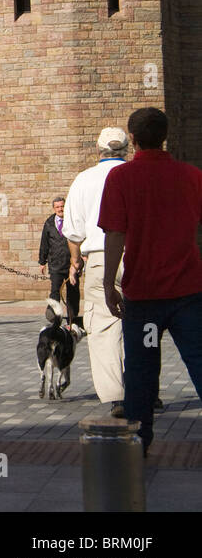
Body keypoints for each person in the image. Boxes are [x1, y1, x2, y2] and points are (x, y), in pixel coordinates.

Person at [99, 108, 202, 455]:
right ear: (165, 135)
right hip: (188, 290)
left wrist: (108, 283)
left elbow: (114, 234)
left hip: (144, 296)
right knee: (200, 360)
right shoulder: (191, 176)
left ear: (132, 138)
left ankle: (139, 440)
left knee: (142, 370)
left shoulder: (121, 178)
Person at [63, 126, 129, 414]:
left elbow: (73, 230)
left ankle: (117, 396)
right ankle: (147, 388)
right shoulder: (136, 175)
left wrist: (75, 261)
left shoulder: (84, 179)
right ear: (127, 149)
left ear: (98, 150)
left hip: (101, 256)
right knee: (144, 324)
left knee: (103, 326)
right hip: (139, 255)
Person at [38, 196, 76, 321]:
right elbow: (44, 243)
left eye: (62, 206)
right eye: (57, 207)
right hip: (56, 264)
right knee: (55, 291)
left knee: (73, 292)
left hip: (71, 264)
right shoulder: (49, 223)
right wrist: (42, 262)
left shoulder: (73, 220)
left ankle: (72, 318)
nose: (60, 209)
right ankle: (54, 317)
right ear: (54, 209)